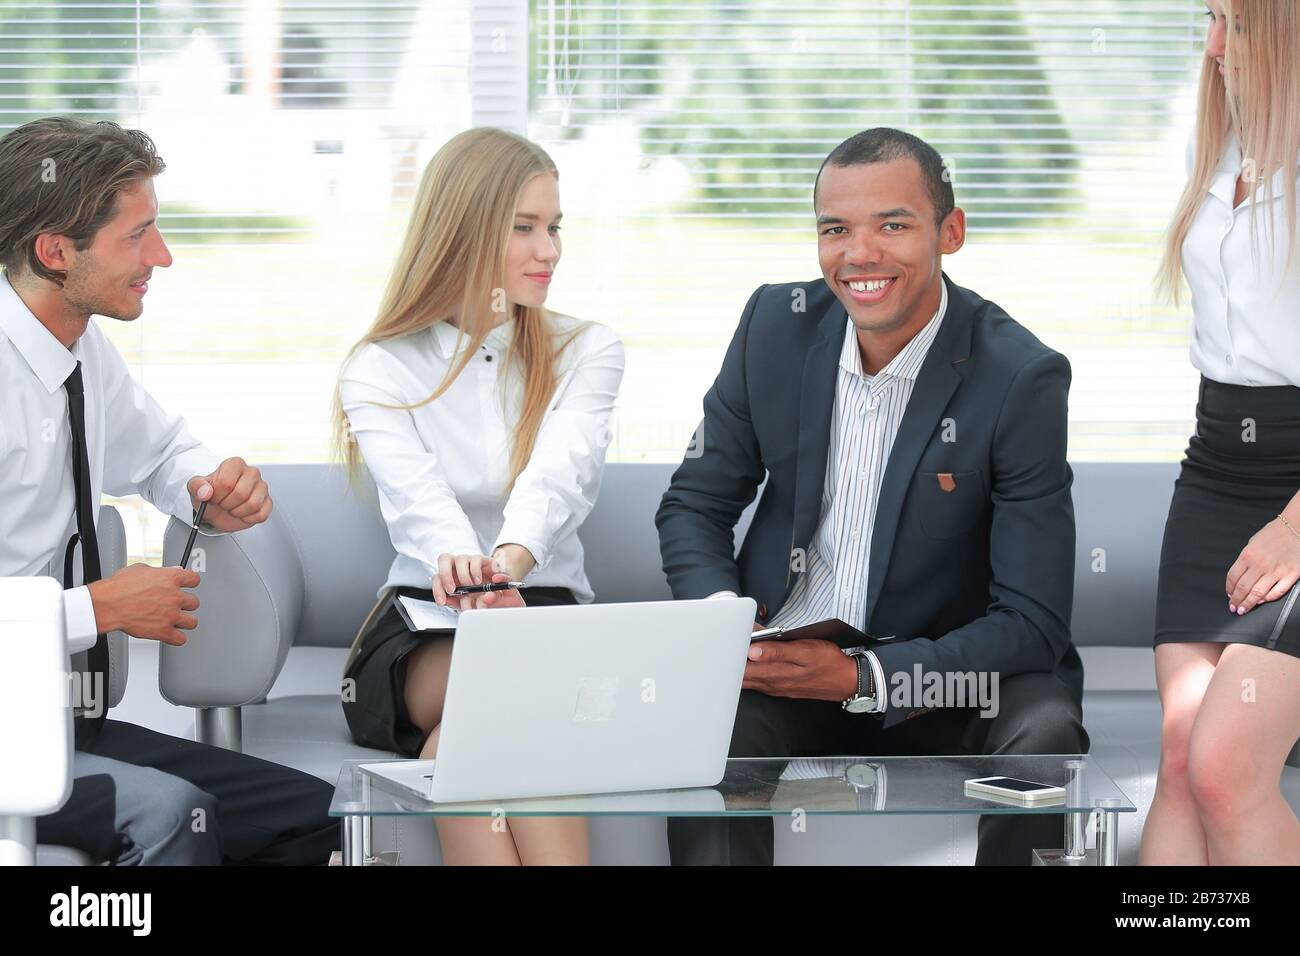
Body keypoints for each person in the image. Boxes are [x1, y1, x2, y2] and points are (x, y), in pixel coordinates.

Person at [656, 127, 1090, 866]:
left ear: (950, 232)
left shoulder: (1020, 377)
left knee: (1043, 734)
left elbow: (1033, 621)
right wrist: (724, 623)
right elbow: (695, 503)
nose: (859, 254)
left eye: (893, 225)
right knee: (705, 732)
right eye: (836, 229)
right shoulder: (773, 327)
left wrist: (867, 677)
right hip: (790, 669)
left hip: (949, 679)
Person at [0, 116, 339, 864]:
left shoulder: (81, 352)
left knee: (317, 814)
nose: (162, 255)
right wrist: (100, 609)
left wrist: (206, 486)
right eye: (137, 235)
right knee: (169, 816)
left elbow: (158, 449)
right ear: (55, 252)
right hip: (7, 740)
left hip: (49, 722)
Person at [335, 127, 625, 866]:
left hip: (542, 611)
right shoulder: (380, 367)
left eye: (554, 227)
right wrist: (467, 570)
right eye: (524, 227)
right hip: (427, 626)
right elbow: (419, 501)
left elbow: (560, 474)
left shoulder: (587, 350)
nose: (549, 250)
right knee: (503, 689)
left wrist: (509, 565)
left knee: (480, 722)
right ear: (463, 231)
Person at [1142, 0, 1300, 866]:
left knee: (1225, 763)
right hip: (1214, 471)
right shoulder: (1220, 147)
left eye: (1234, 24)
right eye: (1209, 18)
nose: (1211, 46)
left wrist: (1294, 526)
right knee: (1180, 755)